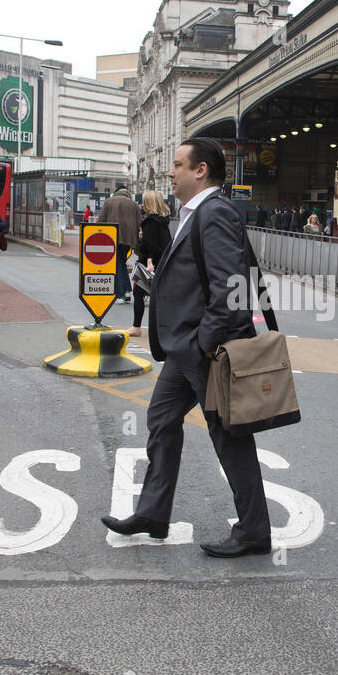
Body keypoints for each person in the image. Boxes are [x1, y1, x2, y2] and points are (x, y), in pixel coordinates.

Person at [100, 138, 272, 558]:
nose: (170, 172)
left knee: (229, 437)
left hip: (203, 350)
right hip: (186, 350)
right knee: (161, 418)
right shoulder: (193, 213)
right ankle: (154, 514)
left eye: (178, 165)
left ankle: (254, 531)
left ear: (201, 171)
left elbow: (230, 288)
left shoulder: (214, 214)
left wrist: (203, 344)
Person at [130, 189, 172, 338]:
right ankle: (163, 328)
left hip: (149, 263)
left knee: (138, 293)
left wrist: (149, 260)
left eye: (144, 201)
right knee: (159, 297)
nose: (142, 204)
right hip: (162, 262)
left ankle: (136, 327)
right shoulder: (163, 222)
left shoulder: (149, 222)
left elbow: (150, 244)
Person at [98, 186, 141, 304]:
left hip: (112, 237)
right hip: (129, 239)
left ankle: (122, 292)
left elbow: (101, 220)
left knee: (118, 263)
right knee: (121, 262)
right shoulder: (133, 204)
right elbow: (139, 223)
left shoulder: (109, 202)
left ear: (116, 192)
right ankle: (126, 290)